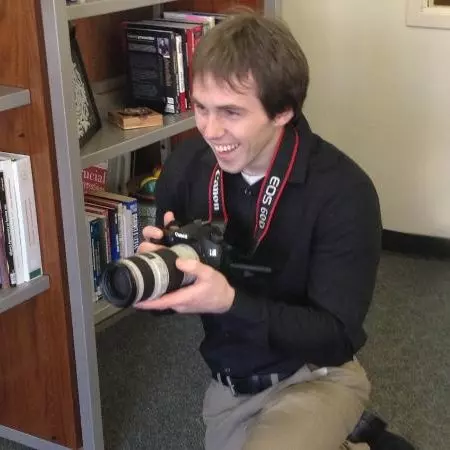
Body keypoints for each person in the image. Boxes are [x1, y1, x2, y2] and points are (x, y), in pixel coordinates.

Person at [135, 10, 413, 450]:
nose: (209, 130)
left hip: (316, 375)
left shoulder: (344, 192)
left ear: (283, 110)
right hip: (229, 387)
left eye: (231, 112)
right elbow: (172, 304)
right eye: (201, 108)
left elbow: (336, 335)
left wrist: (229, 301)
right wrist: (155, 281)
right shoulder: (186, 169)